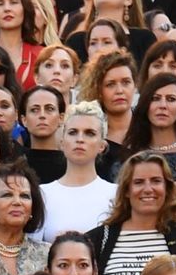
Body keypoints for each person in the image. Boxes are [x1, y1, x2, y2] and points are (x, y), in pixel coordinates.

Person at [38, 101, 117, 240]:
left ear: (102, 145)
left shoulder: (116, 194)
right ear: (62, 142)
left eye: (90, 133)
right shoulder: (42, 194)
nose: (80, 139)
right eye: (73, 132)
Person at [121, 73, 176, 181]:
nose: (162, 105)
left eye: (171, 99)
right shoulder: (129, 156)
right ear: (146, 104)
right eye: (155, 98)